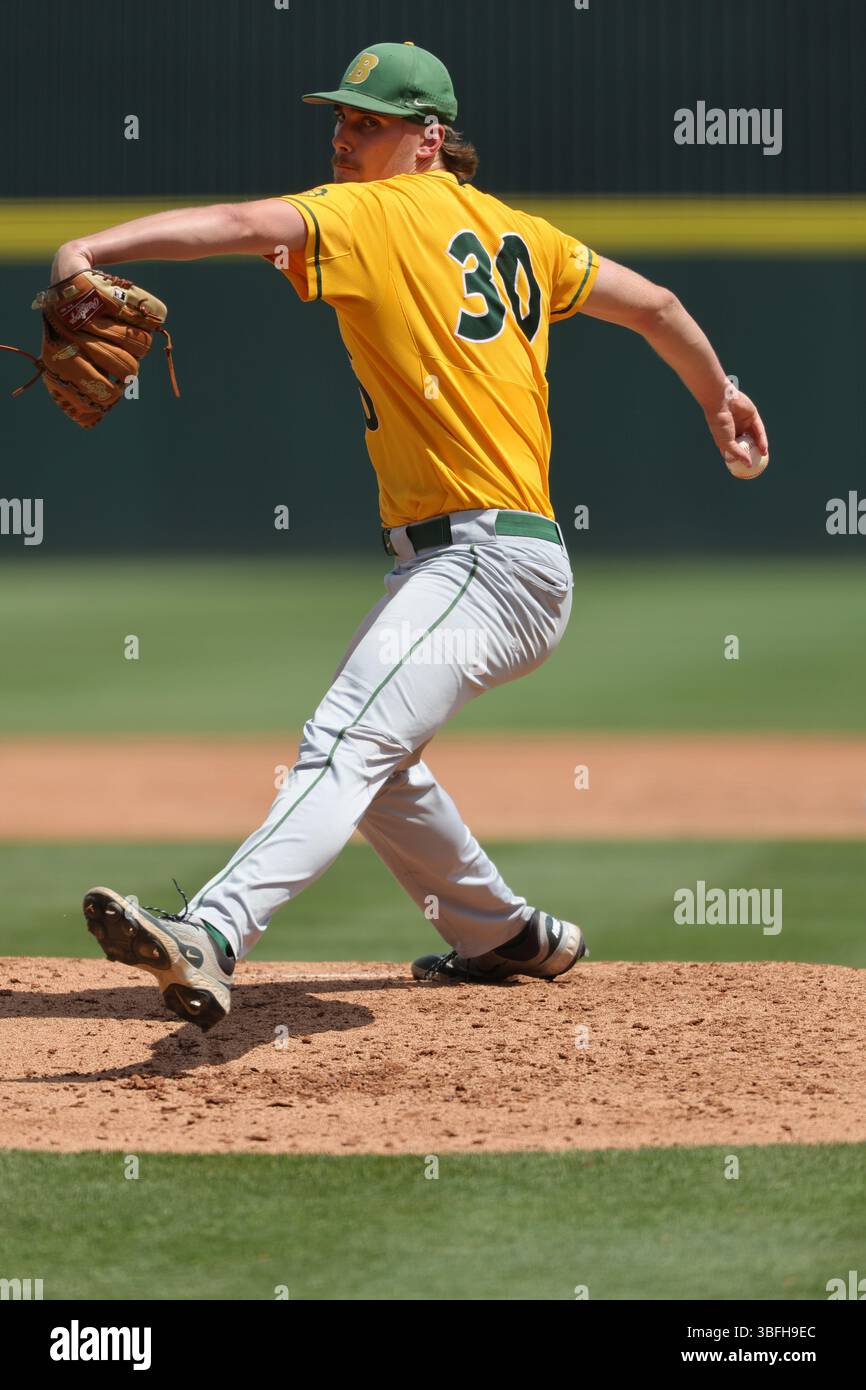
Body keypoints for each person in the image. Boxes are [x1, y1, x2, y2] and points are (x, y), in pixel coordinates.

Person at [75, 41, 768, 1031]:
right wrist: (720, 395)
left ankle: (213, 932)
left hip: (481, 560)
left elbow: (235, 224)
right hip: (495, 562)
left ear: (426, 137)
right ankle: (500, 932)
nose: (342, 136)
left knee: (341, 741)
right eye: (340, 119)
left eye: (366, 121)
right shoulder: (518, 234)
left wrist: (92, 251)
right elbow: (654, 305)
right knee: (379, 758)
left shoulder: (372, 210)